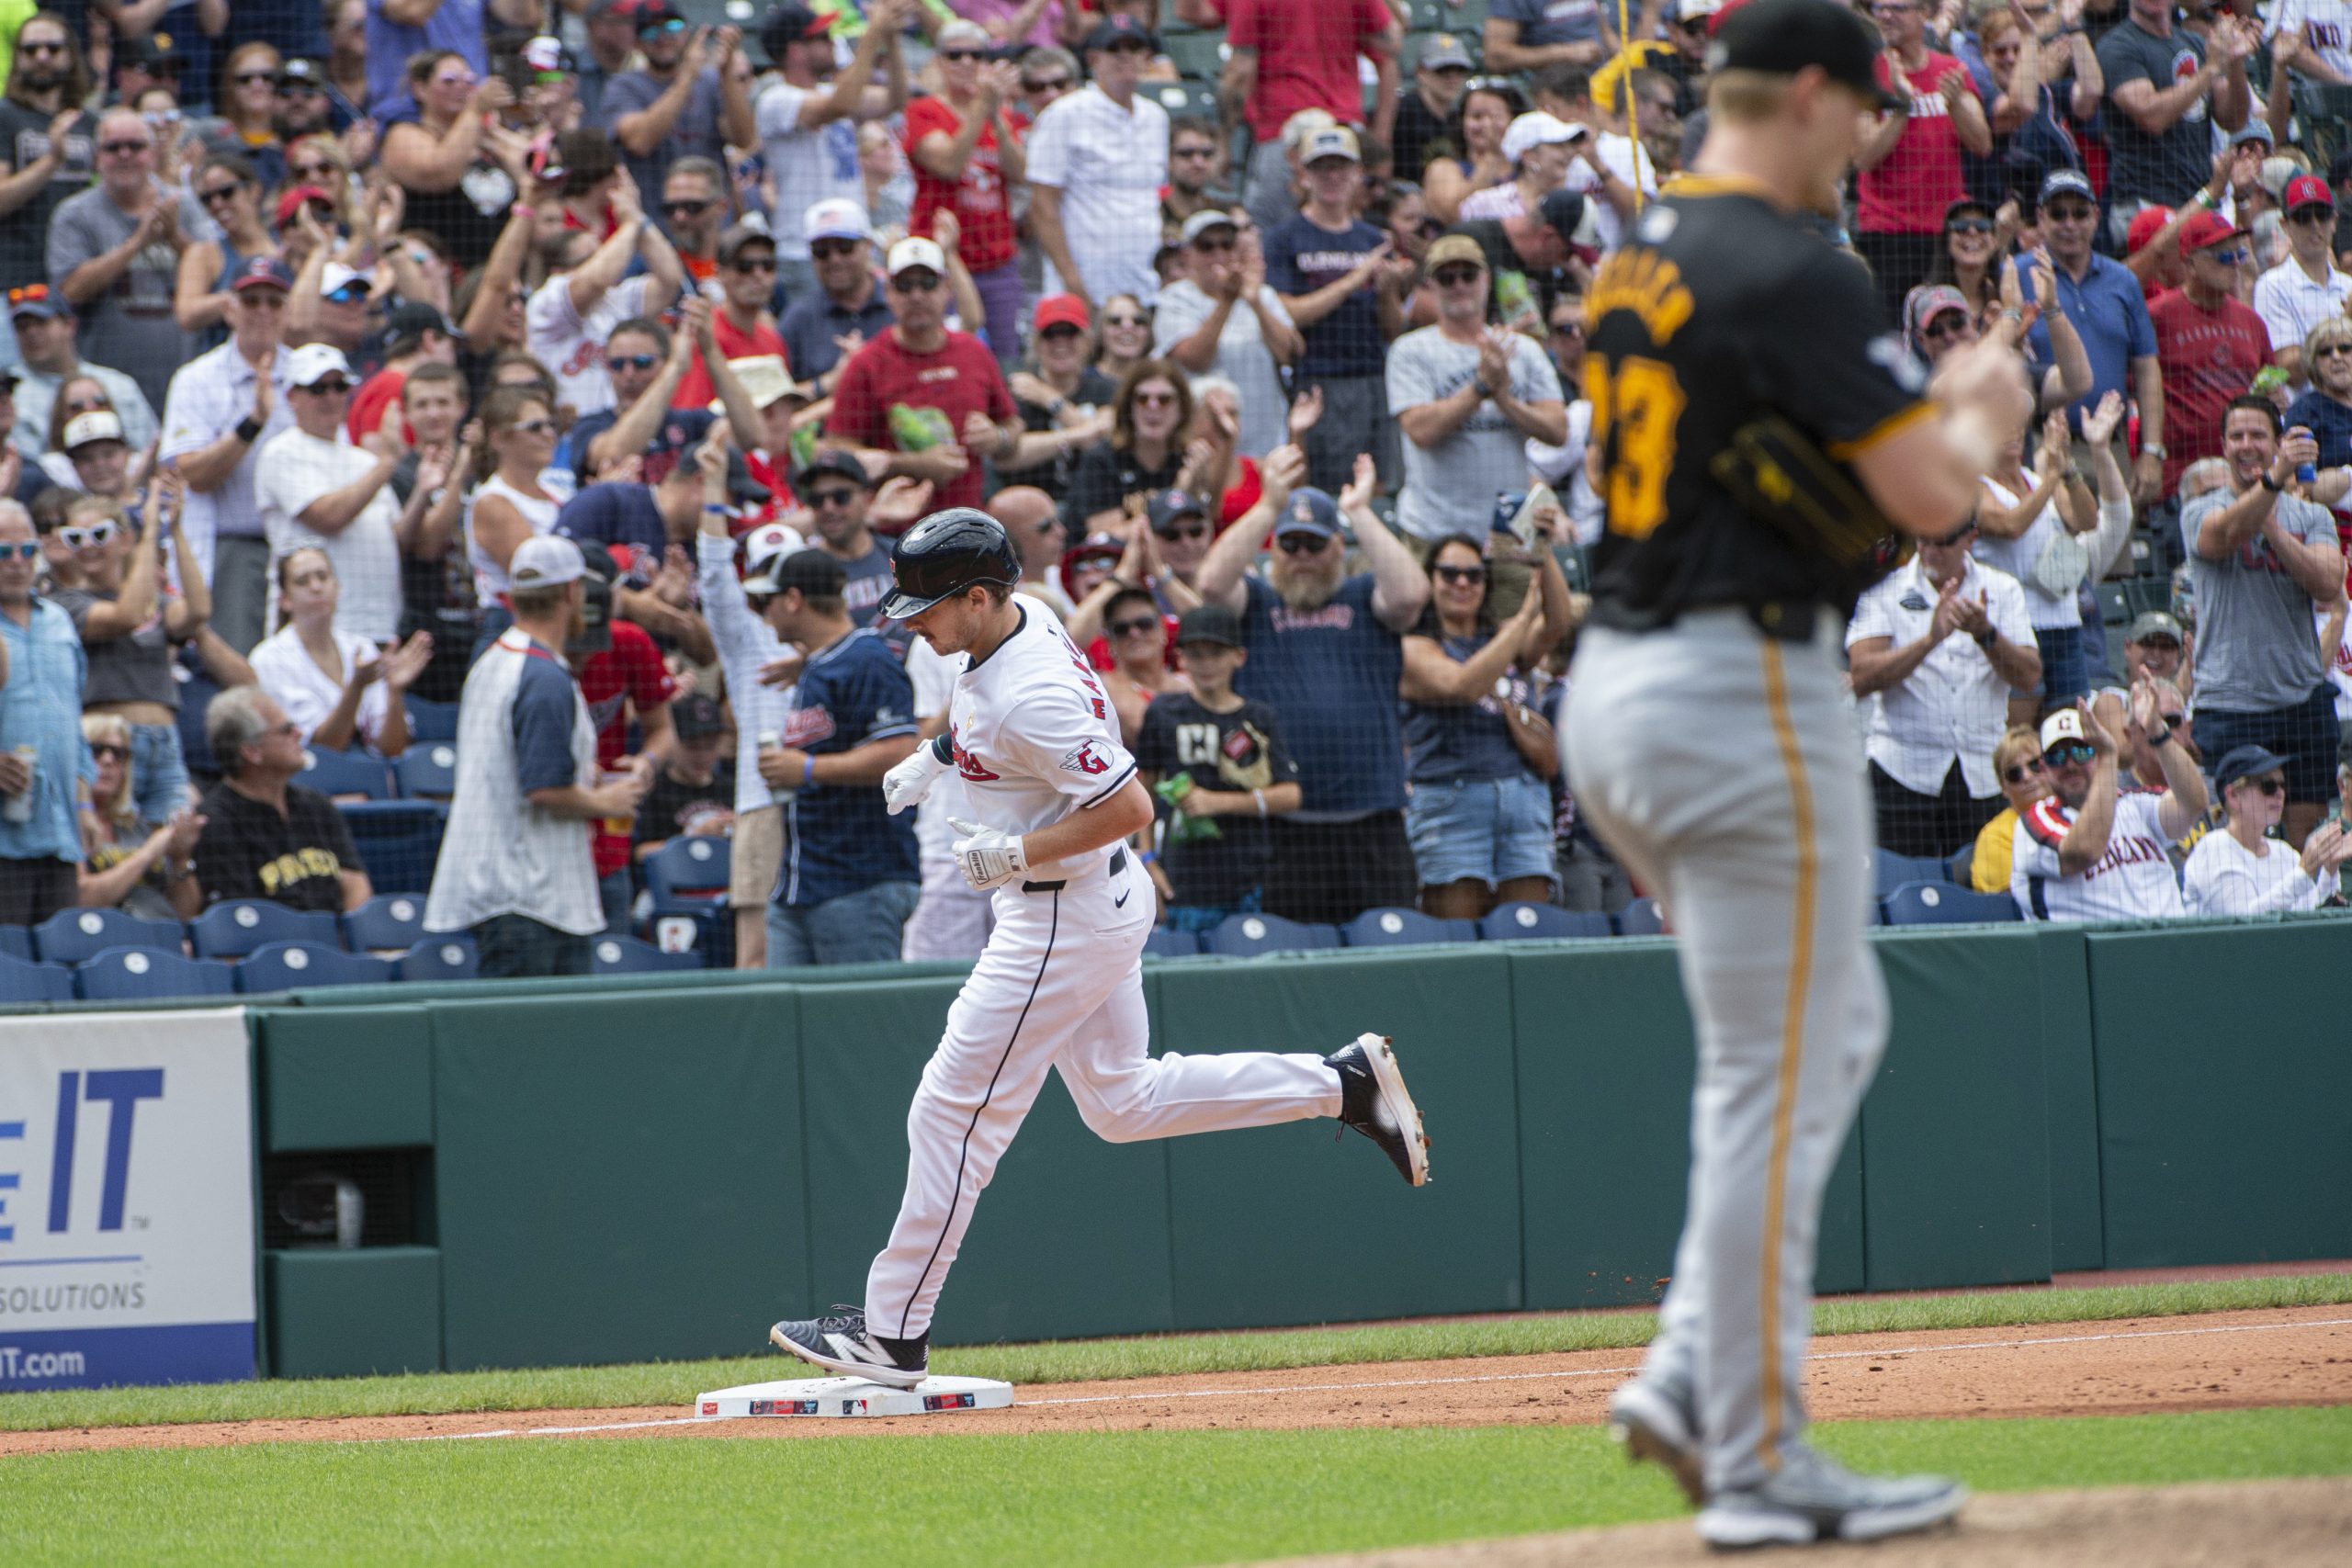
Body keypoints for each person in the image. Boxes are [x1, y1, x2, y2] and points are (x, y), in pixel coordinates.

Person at [1567, 0, 2033, 1546]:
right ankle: (1753, 1449)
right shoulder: (1794, 261)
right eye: (1871, 114)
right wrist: (1987, 403)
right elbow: (1928, 495)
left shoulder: (1644, 242)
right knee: (1785, 1059)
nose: (1877, 144)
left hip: (1624, 687)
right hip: (1734, 686)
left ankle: (1693, 1365)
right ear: (1816, 96)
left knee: (1817, 1038)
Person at [766, 505, 1428, 1391]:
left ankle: (892, 1334)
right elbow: (993, 714)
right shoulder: (1017, 613)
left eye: (924, 606)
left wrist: (1015, 850)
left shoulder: (1027, 681)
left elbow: (1132, 807)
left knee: (951, 1108)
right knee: (1121, 1102)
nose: (911, 621)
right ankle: (1340, 1082)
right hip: (1090, 902)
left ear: (974, 594)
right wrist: (936, 755)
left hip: (1059, 910)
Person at [1193, 449, 1430, 924]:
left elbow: (1411, 595)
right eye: (1291, 543)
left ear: (1339, 547)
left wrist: (1359, 511)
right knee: (1293, 967)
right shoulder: (1257, 603)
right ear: (1272, 549)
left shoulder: (1365, 597)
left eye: (1315, 544)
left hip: (1372, 822)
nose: (1302, 556)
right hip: (1284, 829)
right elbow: (1212, 586)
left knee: (1392, 958)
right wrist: (1265, 507)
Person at [424, 534, 647, 976]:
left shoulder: (494, 659)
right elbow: (543, 789)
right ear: (570, 592)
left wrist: (586, 777)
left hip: (514, 888)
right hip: (530, 894)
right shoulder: (543, 676)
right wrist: (606, 802)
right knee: (530, 1040)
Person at [741, 547, 921, 966]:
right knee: (788, 1023)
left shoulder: (869, 659)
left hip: (859, 881)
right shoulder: (820, 662)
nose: (764, 612)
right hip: (803, 882)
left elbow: (899, 752)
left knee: (858, 1026)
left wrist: (805, 768)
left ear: (793, 600)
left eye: (769, 600)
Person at [2182, 398, 2347, 846]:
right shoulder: (2200, 508)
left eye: (2257, 435)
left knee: (2310, 833)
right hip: (2232, 702)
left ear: (2277, 443)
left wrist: (2273, 527)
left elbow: (2329, 585)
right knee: (2238, 837)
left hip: (2302, 698)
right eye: (2236, 436)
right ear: (2223, 445)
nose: (2246, 445)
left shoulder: (2312, 515)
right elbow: (2220, 539)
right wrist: (2273, 484)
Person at [1399, 532, 1572, 919]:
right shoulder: (1415, 646)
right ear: (1430, 580)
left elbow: (1559, 621)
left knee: (1527, 929)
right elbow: (1461, 685)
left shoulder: (1502, 635)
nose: (1462, 583)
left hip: (1523, 800)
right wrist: (1524, 619)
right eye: (1449, 574)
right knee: (1457, 942)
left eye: (1474, 575)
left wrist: (1541, 551)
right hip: (1452, 800)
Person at [1848, 516, 2042, 859]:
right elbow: (1861, 677)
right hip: (1901, 770)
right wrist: (1929, 640)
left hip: (1983, 771)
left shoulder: (2003, 589)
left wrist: (1986, 634)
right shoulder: (1884, 589)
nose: (1930, 550)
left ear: (1971, 538)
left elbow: (2028, 677)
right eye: (1923, 539)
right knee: (1899, 889)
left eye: (1943, 541)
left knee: (1983, 891)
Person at [161, 254, 302, 657]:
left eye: (273, 302)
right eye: (251, 300)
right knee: (241, 673)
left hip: (302, 546)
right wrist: (251, 423)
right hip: (233, 545)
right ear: (229, 309)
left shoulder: (310, 376)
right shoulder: (196, 378)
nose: (262, 311)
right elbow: (190, 473)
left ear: (288, 311)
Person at [1129, 600, 1301, 930]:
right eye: (1195, 654)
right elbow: (1143, 794)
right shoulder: (1164, 712)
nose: (1205, 663)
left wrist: (1217, 802)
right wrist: (1148, 862)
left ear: (1239, 656)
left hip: (1252, 878)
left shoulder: (1258, 716)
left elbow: (1291, 795)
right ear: (1180, 658)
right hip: (1182, 880)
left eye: (1216, 653)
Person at [1387, 234, 1567, 547]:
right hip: (1434, 531)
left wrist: (1505, 401)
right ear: (1431, 285)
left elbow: (1557, 430)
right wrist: (1481, 387)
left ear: (1485, 279)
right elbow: (1420, 431)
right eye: (1447, 278)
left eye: (1468, 275)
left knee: (1515, 600)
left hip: (1510, 530)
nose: (1459, 286)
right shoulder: (1411, 350)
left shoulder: (1522, 350)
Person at [823, 236, 1020, 514]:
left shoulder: (973, 352)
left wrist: (997, 437)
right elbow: (836, 449)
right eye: (904, 285)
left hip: (969, 521)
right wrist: (911, 464)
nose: (916, 295)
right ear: (889, 292)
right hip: (898, 528)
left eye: (927, 283)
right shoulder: (867, 363)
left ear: (946, 289)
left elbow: (1013, 425)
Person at [53, 481, 209, 830]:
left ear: (124, 540)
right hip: (109, 746)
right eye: (75, 538)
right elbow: (127, 616)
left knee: (175, 845)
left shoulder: (152, 601)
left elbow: (198, 612)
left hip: (165, 743)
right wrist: (151, 530)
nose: (88, 546)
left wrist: (177, 530)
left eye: (98, 534)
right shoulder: (66, 604)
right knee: (119, 844)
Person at [1265, 126, 1411, 492]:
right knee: (1319, 488)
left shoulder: (1373, 239)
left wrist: (1388, 292)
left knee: (1376, 487)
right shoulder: (1285, 237)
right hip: (1315, 379)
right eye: (1322, 167)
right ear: (1304, 174)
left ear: (1357, 173)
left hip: (1371, 378)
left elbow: (1393, 329)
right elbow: (1289, 314)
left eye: (1341, 167)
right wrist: (1353, 279)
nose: (1332, 177)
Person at [47, 107, 210, 416]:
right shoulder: (74, 214)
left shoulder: (182, 204)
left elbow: (214, 273)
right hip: (106, 390)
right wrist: (137, 242)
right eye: (113, 148)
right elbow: (69, 290)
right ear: (97, 157)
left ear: (153, 154)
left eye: (135, 146)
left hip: (182, 380)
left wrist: (175, 236)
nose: (125, 155)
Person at [755, 0, 910, 304]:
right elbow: (838, 106)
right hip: (805, 250)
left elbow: (895, 100)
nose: (832, 43)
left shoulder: (831, 91)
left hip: (852, 243)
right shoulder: (775, 99)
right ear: (795, 50)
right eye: (822, 38)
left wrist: (890, 41)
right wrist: (871, 37)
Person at [253, 343, 405, 647]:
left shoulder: (364, 461)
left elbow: (402, 536)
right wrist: (388, 462)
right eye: (318, 388)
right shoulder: (281, 452)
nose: (331, 397)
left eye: (339, 386)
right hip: (315, 633)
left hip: (378, 625)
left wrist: (432, 483)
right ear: (292, 396)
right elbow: (329, 517)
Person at [1849, 0, 1992, 319]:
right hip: (1888, 235)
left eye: (1897, 8)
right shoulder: (1867, 73)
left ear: (1924, 13)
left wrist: (1955, 103)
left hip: (1944, 235)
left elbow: (1982, 143)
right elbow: (1863, 158)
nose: (1886, 15)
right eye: (1879, 8)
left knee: (1946, 331)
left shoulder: (1950, 70)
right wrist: (1901, 106)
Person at [2011, 700, 2207, 920]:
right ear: (2044, 768)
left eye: (2081, 751)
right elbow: (2085, 851)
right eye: (2057, 757)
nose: (2070, 764)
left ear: (2095, 754)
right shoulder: (2035, 821)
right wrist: (2108, 757)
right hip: (2091, 951)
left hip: (2173, 944)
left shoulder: (2134, 803)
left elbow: (2193, 803)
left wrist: (2157, 732)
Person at [905, 19, 1028, 365]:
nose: (966, 63)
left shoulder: (998, 112)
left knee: (1005, 361)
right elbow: (949, 164)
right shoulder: (923, 111)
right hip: (942, 263)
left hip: (997, 260)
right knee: (944, 356)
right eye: (955, 55)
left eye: (975, 55)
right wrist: (982, 108)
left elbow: (1019, 173)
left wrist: (998, 119)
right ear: (939, 62)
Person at [1026, 15, 1170, 308]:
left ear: (1147, 57)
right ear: (1094, 59)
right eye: (1115, 49)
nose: (1125, 56)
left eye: (1134, 48)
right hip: (1084, 280)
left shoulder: (1156, 117)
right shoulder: (1064, 113)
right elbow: (1042, 204)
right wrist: (1071, 279)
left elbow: (1154, 197)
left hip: (1143, 280)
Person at [1222, 0, 1400, 231]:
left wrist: (1224, 140)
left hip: (1284, 134)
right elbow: (1392, 44)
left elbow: (1241, 70)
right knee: (1344, 231)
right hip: (1342, 133)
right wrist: (1381, 133)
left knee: (1271, 237)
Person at [0, 498, 96, 928]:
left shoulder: (60, 621)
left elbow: (72, 724)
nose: (17, 562)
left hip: (60, 834)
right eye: (3, 552)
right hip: (4, 842)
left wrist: (84, 806)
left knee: (61, 960)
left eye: (26, 550)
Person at [194, 684, 373, 914]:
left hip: (335, 942)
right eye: (287, 729)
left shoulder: (316, 805)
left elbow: (354, 883)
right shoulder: (215, 821)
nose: (298, 733)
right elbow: (243, 916)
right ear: (252, 752)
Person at [524, 176, 685, 423]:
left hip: (619, 425)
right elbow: (594, 280)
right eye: (589, 260)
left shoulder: (615, 298)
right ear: (558, 270)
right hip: (567, 432)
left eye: (600, 255)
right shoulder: (546, 301)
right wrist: (629, 226)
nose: (605, 261)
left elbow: (669, 279)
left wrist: (638, 217)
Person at [2097, 0, 2254, 241]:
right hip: (2145, 204)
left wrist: (2235, 62)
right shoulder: (2117, 45)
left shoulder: (2194, 43)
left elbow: (2234, 119)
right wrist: (2210, 69)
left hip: (2197, 200)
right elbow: (2151, 117)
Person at [249, 547, 430, 754]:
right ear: (284, 600)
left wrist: (394, 692)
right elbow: (324, 749)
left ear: (337, 587)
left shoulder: (362, 648)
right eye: (302, 581)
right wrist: (356, 686)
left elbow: (392, 749)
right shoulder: (268, 659)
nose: (316, 587)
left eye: (323, 577)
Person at [1154, 210, 1300, 461]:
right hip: (1202, 447)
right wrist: (1226, 302)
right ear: (1187, 255)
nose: (1219, 255)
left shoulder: (1262, 295)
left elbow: (1290, 352)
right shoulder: (1175, 298)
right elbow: (1194, 359)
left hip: (1265, 444)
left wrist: (1255, 303)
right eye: (1206, 246)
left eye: (1226, 245)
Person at [2150, 210, 2274, 499]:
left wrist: (2272, 398)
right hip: (2181, 482)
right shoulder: (2158, 316)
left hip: (2246, 479)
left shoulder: (2251, 321)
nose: (2234, 264)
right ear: (2190, 262)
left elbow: (2268, 387)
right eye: (2222, 256)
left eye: (2238, 255)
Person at [596, 8, 754, 216]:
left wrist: (726, 74)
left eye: (672, 27)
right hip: (653, 223)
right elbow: (639, 142)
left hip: (713, 227)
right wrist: (686, 78)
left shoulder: (710, 81)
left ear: (687, 32)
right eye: (650, 32)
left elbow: (744, 138)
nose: (663, 37)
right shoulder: (624, 86)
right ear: (636, 43)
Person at [2183, 742, 2352, 912]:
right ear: (2233, 795)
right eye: (2268, 786)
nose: (2280, 794)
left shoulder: (2284, 852)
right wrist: (2304, 872)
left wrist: (2330, 869)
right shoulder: (2213, 849)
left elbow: (2311, 913)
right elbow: (2242, 924)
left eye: (2282, 785)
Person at [465, 385, 565, 653]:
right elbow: (542, 572)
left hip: (557, 625)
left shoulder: (557, 494)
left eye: (551, 424)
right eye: (535, 427)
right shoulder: (491, 501)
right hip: (508, 627)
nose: (548, 434)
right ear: (499, 439)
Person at [77, 712, 205, 919]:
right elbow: (83, 898)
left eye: (118, 754)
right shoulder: (69, 826)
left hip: (156, 939)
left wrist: (180, 860)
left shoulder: (135, 825)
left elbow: (184, 915)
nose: (108, 760)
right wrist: (150, 851)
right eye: (96, 751)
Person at [7, 285, 157, 461]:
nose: (31, 333)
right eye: (22, 327)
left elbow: (152, 451)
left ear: (70, 325)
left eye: (41, 323)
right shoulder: (9, 393)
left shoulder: (118, 385)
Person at [776, 198, 896, 398]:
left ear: (868, 246)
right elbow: (773, 400)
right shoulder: (799, 317)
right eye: (822, 251)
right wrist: (830, 382)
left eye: (845, 247)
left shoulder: (898, 302)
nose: (834, 259)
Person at [2253, 175, 2352, 388]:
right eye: (2303, 216)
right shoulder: (2271, 285)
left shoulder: (2348, 285)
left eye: (2322, 215)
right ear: (2285, 225)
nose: (2315, 224)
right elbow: (2288, 370)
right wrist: (2345, 322)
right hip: (2304, 416)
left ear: (2334, 221)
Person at [632, 691, 733, 866]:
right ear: (672, 742)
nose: (702, 756)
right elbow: (639, 853)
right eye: (693, 747)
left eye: (710, 746)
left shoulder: (730, 788)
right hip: (673, 887)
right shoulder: (654, 790)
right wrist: (694, 837)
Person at [1969, 724, 2052, 897]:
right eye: (2014, 773)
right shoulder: (1994, 836)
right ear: (2003, 787)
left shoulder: (2074, 812)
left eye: (2035, 765)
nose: (2027, 777)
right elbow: (2016, 900)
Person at [1391, 34, 1476, 183]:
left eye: (1459, 71)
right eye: (1442, 70)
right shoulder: (1402, 111)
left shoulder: (1460, 118)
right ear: (1420, 73)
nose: (1452, 78)